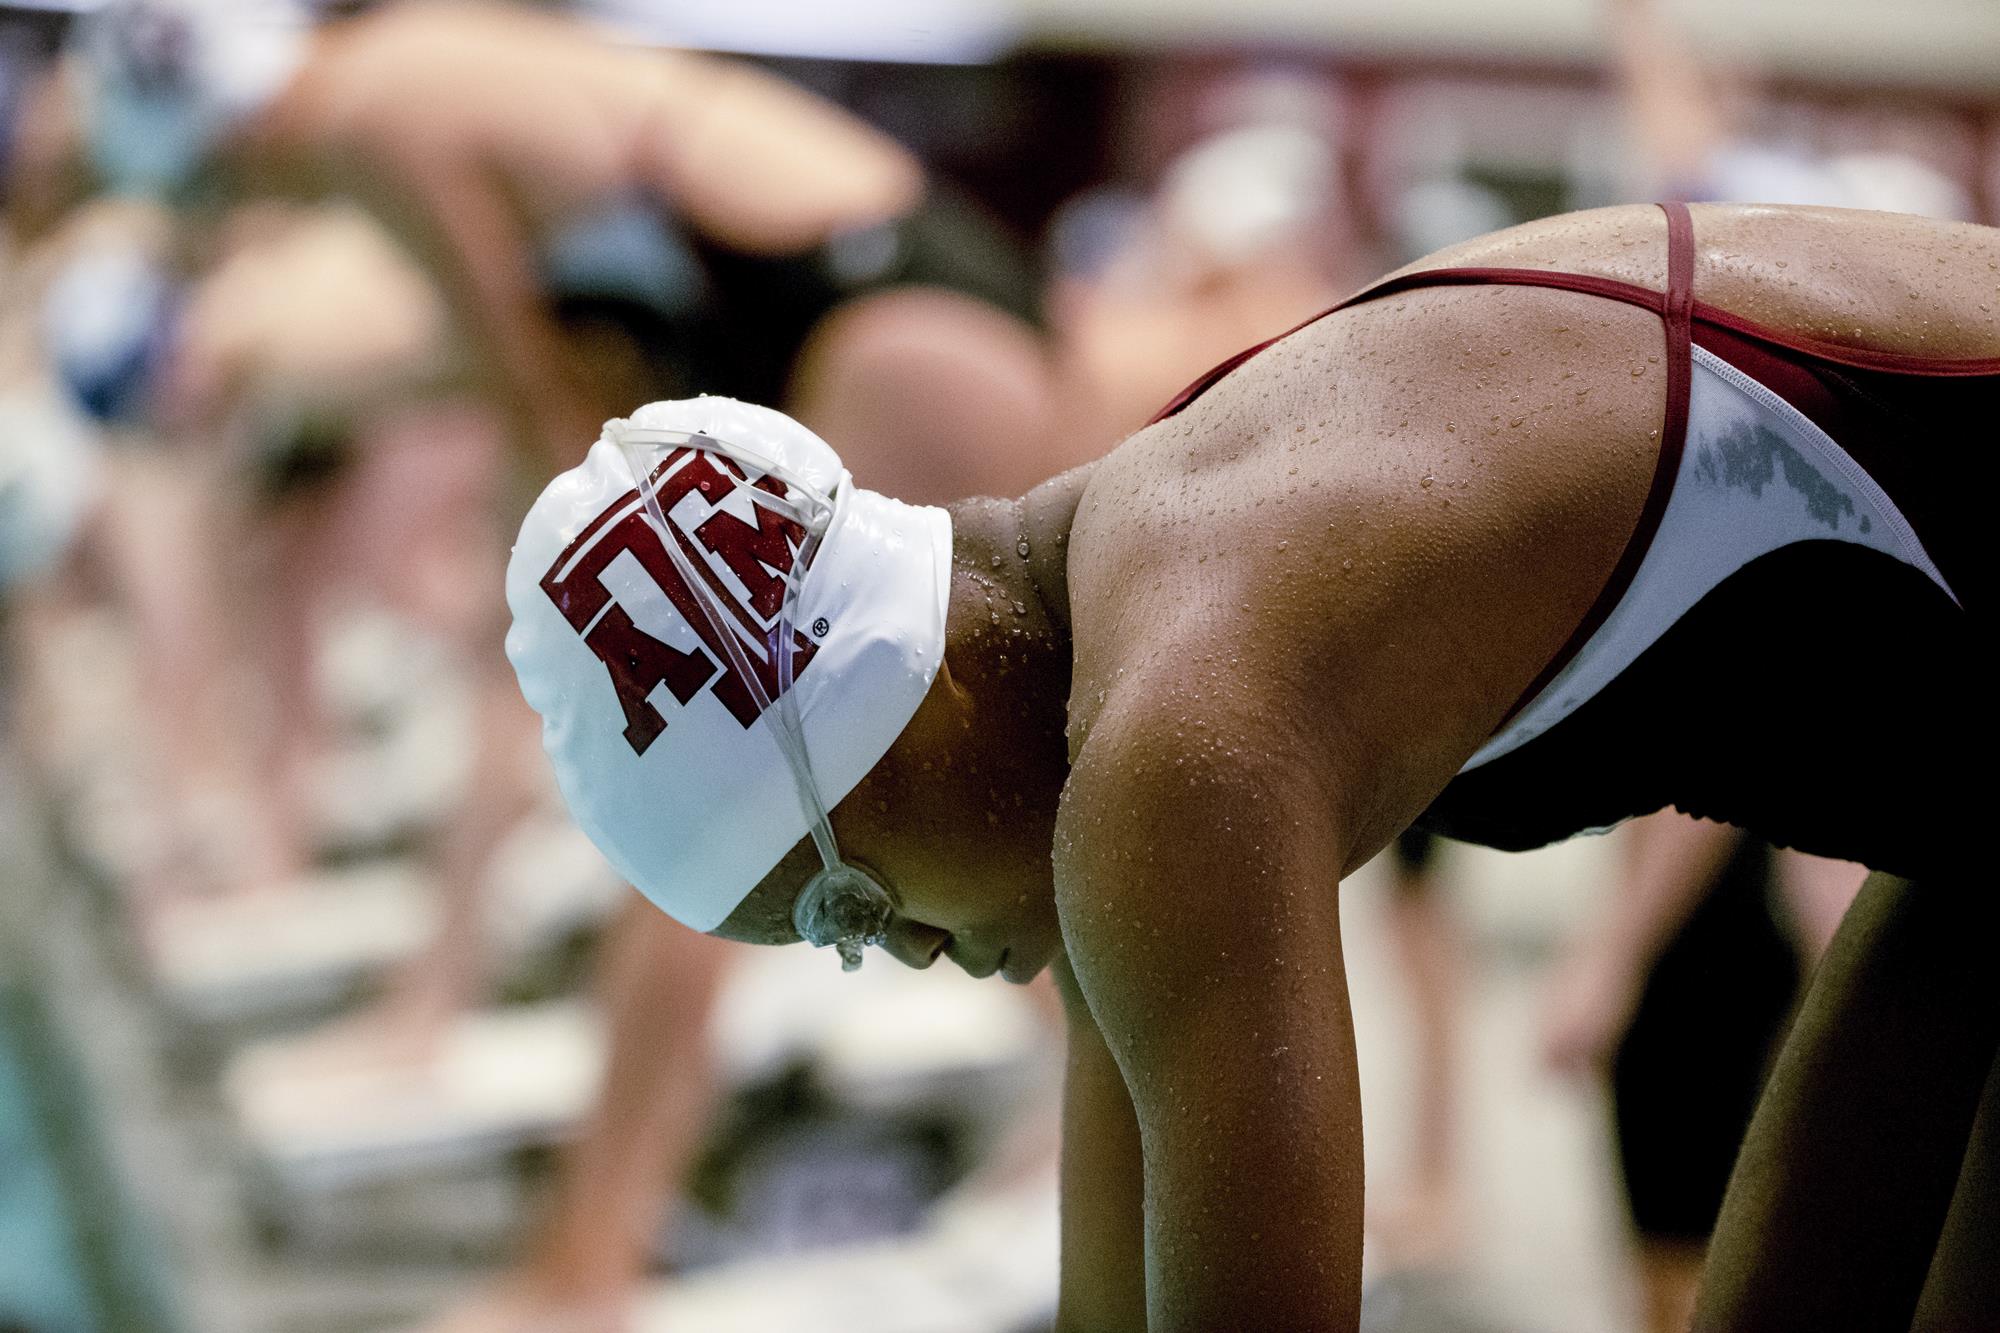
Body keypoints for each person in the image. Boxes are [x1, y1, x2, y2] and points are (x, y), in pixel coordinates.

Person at [505, 199, 1992, 1330]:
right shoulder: (1115, 640)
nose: (904, 951)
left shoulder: (1176, 744)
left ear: (914, 697)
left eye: (842, 902)